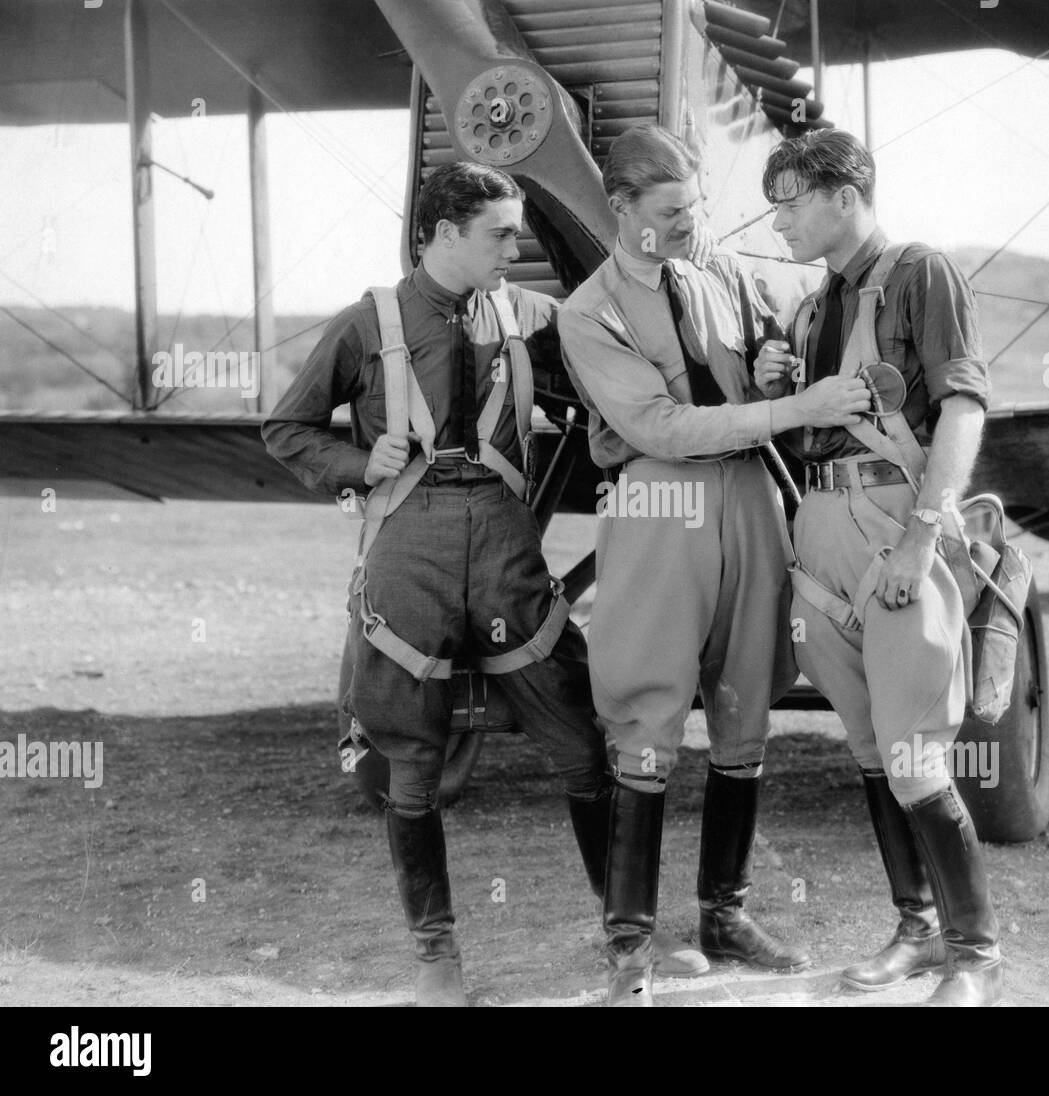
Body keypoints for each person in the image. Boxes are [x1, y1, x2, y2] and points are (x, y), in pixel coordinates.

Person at [262, 161, 702, 1007]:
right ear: (443, 235)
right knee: (410, 766)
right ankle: (437, 965)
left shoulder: (532, 315)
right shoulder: (367, 326)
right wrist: (358, 461)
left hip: (507, 545)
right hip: (407, 550)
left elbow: (625, 370)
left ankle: (629, 942)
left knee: (580, 738)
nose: (517, 246)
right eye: (500, 233)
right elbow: (286, 427)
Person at [558, 123, 877, 1007]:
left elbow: (754, 383)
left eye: (695, 207)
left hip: (747, 498)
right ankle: (630, 944)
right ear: (622, 210)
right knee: (647, 708)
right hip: (660, 505)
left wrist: (775, 375)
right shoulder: (586, 314)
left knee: (744, 702)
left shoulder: (722, 275)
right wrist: (789, 410)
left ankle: (723, 915)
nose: (690, 224)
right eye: (670, 212)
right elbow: (657, 426)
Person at [756, 128, 1003, 1007]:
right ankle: (917, 927)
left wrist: (921, 537)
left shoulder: (920, 273)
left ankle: (974, 954)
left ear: (842, 193)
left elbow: (964, 408)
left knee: (915, 758)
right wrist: (773, 380)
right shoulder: (814, 306)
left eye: (789, 199)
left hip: (894, 526)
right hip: (819, 534)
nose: (777, 218)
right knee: (870, 749)